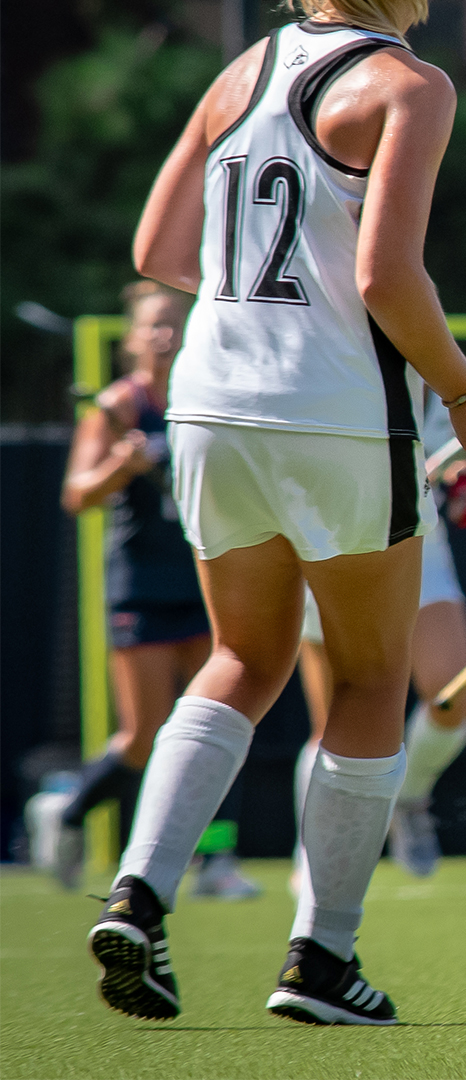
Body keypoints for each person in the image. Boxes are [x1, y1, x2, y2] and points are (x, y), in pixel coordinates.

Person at [92, 0, 466, 1026]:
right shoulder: (412, 85)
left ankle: (139, 895)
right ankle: (322, 958)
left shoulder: (241, 70)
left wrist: (263, 313)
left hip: (209, 404)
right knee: (373, 678)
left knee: (243, 657)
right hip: (334, 418)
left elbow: (160, 248)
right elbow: (384, 277)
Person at [48, 282, 257, 901]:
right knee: (143, 737)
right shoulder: (118, 405)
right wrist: (123, 466)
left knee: (221, 720)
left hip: (207, 575)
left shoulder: (202, 395)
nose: (164, 335)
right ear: (131, 339)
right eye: (153, 325)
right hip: (142, 586)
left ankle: (215, 862)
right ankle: (67, 814)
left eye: (175, 323)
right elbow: (77, 494)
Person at [292, 390, 466, 882]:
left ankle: (411, 795)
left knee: (452, 695)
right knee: (332, 720)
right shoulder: (322, 354)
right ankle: (314, 854)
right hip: (327, 542)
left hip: (418, 546)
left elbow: (450, 450)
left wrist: (457, 477)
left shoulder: (427, 365)